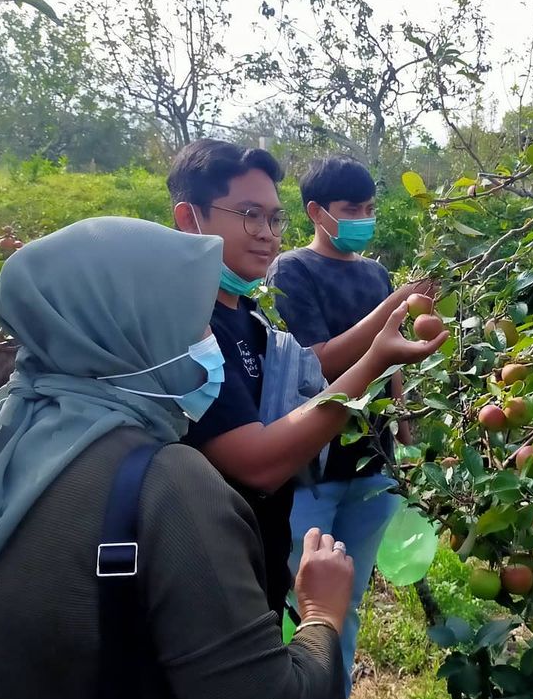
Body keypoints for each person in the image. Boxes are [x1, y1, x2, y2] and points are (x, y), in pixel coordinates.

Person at [0, 217, 352, 699]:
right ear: (131, 327)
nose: (209, 343)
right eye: (194, 324)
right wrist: (321, 613)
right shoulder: (168, 483)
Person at [166, 140, 445, 619]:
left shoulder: (250, 318)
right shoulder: (188, 325)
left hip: (339, 483)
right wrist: (379, 344)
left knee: (333, 609)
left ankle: (324, 692)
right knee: (306, 615)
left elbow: (316, 378)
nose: (267, 234)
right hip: (241, 536)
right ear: (191, 218)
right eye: (250, 214)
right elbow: (258, 461)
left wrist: (403, 431)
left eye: (274, 219)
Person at [267, 156, 435, 699]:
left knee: (347, 602)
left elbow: (391, 361)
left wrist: (403, 416)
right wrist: (392, 307)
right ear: (317, 212)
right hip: (313, 467)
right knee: (300, 604)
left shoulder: (374, 274)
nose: (364, 218)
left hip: (371, 463)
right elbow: (315, 364)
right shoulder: (292, 272)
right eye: (350, 209)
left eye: (369, 208)